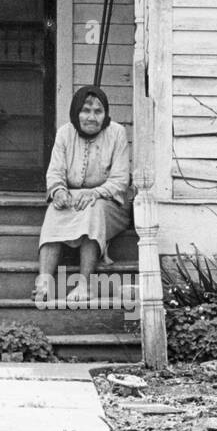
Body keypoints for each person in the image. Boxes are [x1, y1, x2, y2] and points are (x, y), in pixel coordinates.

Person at [34, 85, 132, 303]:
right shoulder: (64, 133)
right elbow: (55, 172)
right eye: (85, 110)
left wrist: (95, 193)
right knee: (54, 209)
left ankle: (85, 284)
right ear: (76, 112)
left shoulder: (116, 133)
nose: (91, 117)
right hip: (73, 199)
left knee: (92, 210)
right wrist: (59, 191)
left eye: (98, 112)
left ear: (105, 114)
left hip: (109, 203)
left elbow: (120, 180)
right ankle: (44, 282)